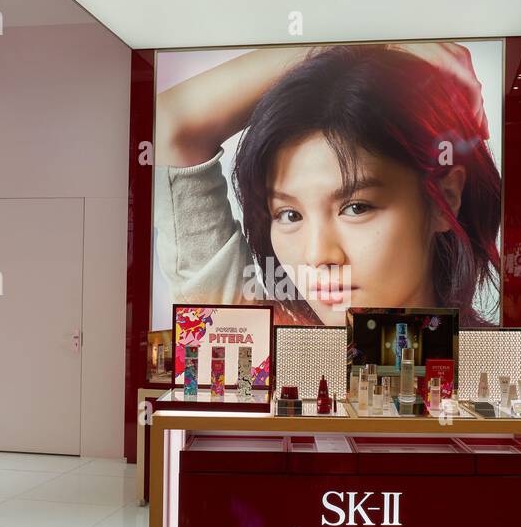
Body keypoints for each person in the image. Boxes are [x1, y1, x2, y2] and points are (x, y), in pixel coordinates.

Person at [154, 42, 501, 325]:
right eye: (289, 215)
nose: (318, 255)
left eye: (355, 207)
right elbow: (170, 125)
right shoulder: (261, 346)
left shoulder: (492, 366)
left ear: (445, 197)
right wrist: (359, 45)